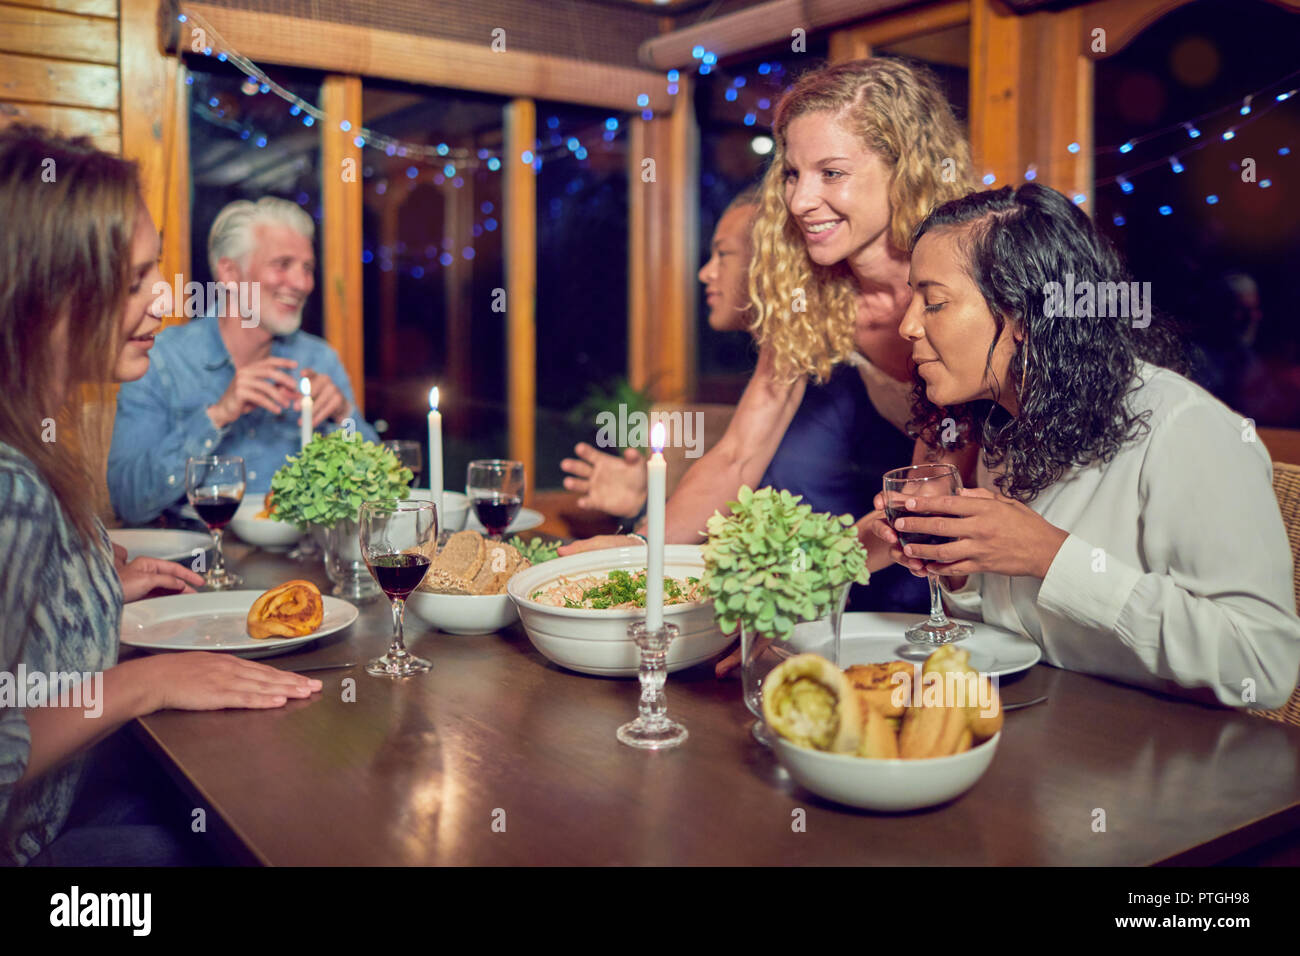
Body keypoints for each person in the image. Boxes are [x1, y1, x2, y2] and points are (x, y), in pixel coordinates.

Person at [0, 126, 322, 866]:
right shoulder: (11, 485)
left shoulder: (34, 441)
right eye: (137, 279)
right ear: (48, 294)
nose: (164, 300)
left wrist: (90, 593)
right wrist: (145, 683)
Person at [560, 58, 975, 606]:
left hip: (956, 581)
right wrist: (641, 550)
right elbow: (738, 454)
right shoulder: (811, 289)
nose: (799, 200)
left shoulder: (963, 288)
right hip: (859, 565)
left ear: (906, 170)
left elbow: (924, 499)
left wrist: (785, 594)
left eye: (831, 173)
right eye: (792, 174)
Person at [869, 183, 1300, 709]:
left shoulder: (1185, 429)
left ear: (1024, 317)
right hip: (1058, 742)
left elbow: (1262, 663)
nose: (907, 324)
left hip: (1173, 765)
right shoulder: (1001, 422)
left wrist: (1051, 555)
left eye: (933, 302)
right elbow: (1035, 633)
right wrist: (964, 574)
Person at [108, 196, 378, 525]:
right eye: (283, 264)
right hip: (197, 564)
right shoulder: (158, 359)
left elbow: (378, 489)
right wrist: (217, 416)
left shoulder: (319, 359)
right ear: (231, 273)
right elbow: (128, 502)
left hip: (299, 567)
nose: (301, 283)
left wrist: (344, 417)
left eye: (307, 268)